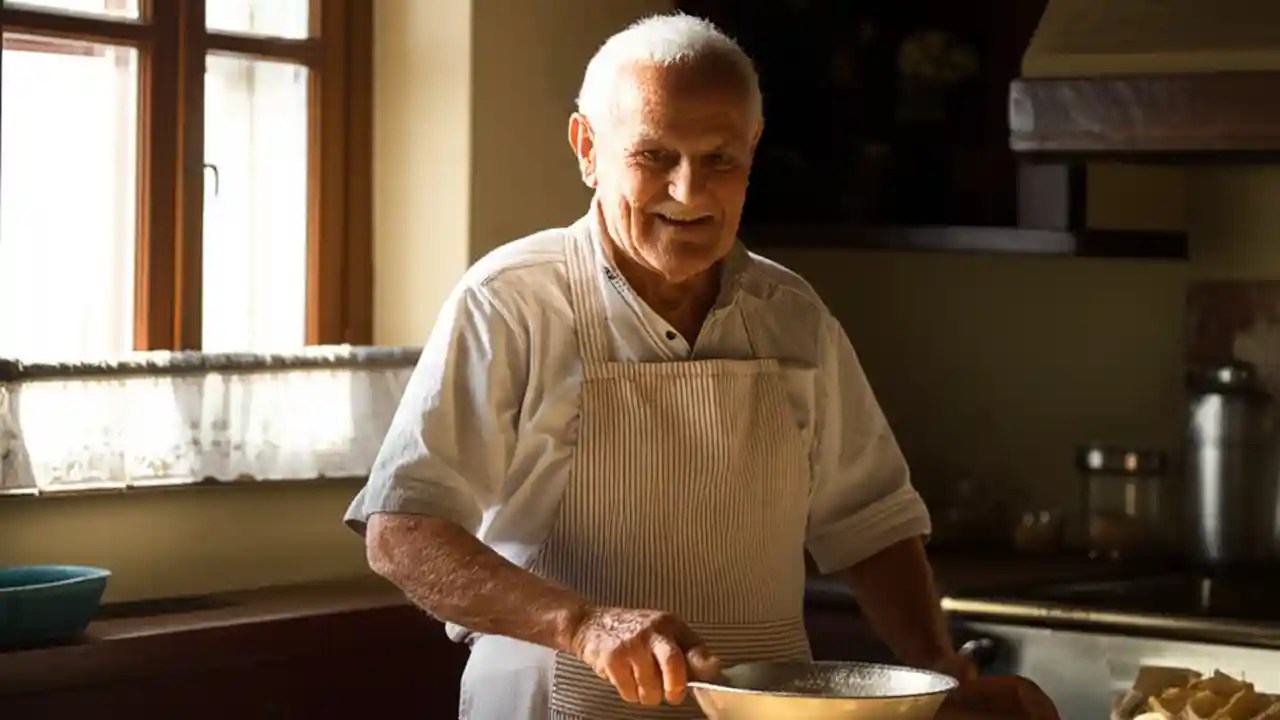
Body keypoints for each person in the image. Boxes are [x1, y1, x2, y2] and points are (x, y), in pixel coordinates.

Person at [345, 12, 1055, 720]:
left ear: (754, 149)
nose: (689, 192)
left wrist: (939, 672)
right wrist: (582, 625)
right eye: (655, 156)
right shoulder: (510, 302)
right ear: (588, 148)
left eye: (720, 160)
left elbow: (871, 522)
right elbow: (403, 531)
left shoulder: (792, 314)